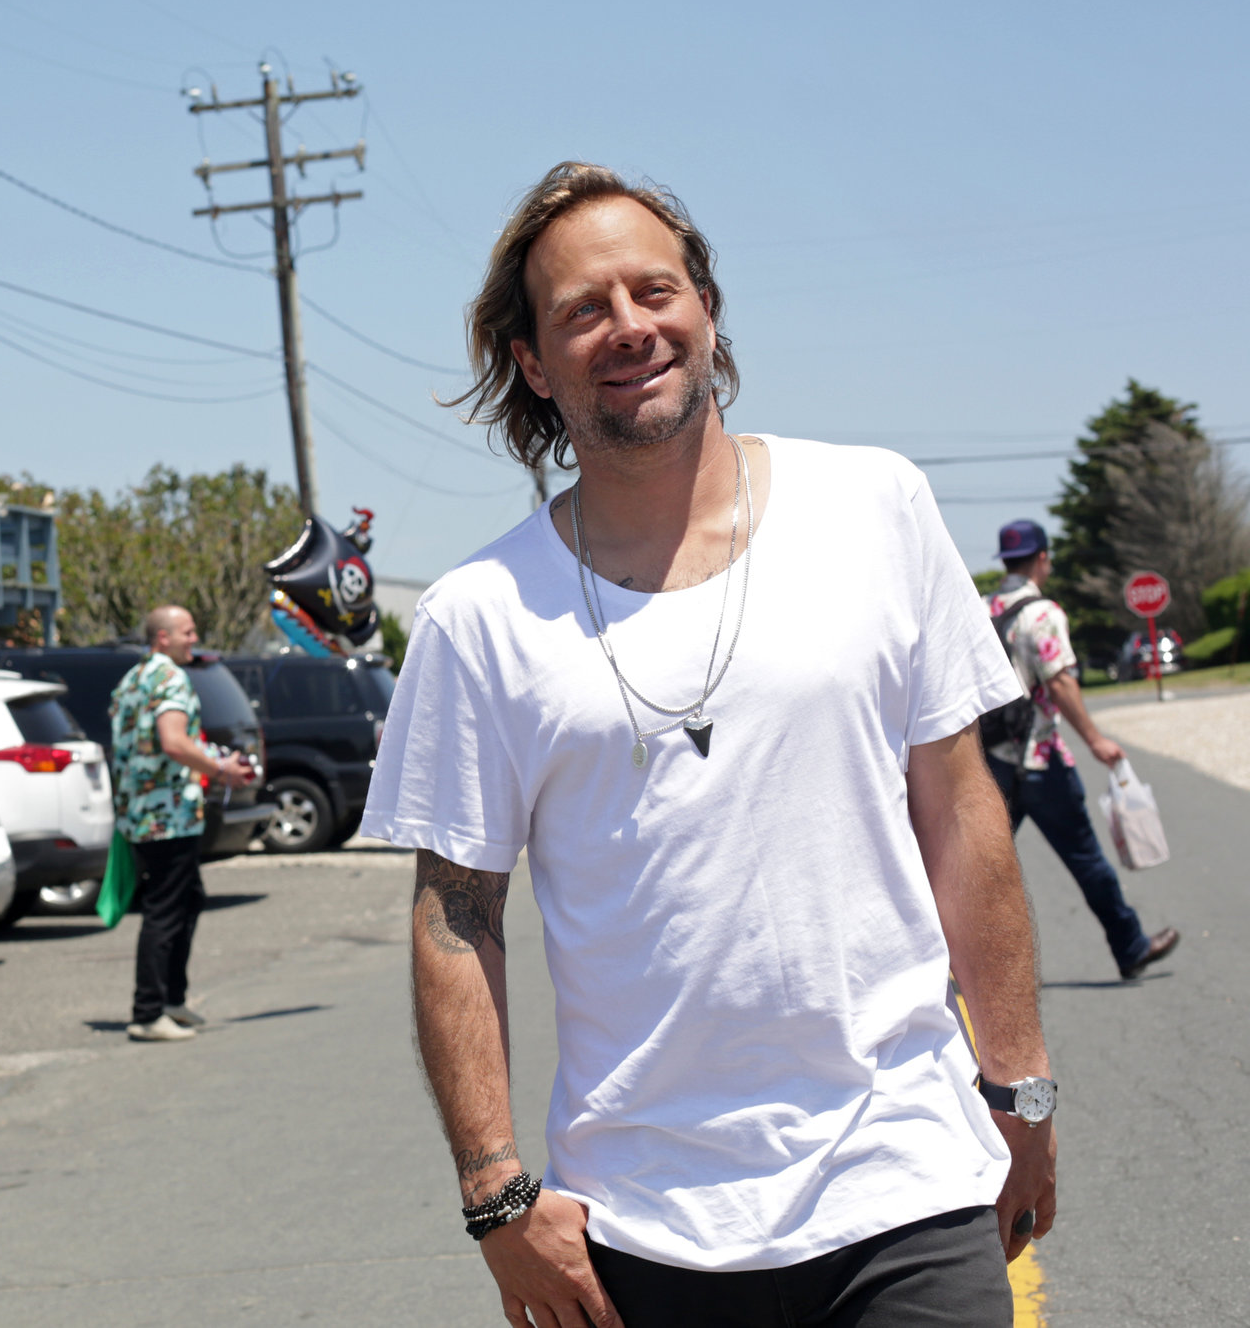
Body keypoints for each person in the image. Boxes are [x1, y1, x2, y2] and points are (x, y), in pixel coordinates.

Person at [363, 161, 1057, 1326]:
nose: (627, 325)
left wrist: (1020, 1082)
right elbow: (454, 912)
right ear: (532, 361)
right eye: (582, 309)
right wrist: (493, 1193)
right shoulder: (476, 615)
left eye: (653, 290)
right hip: (638, 1228)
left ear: (705, 308)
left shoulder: (874, 506)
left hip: (904, 1177)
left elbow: (958, 808)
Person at [984, 519, 1180, 979]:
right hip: (1042, 759)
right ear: (1042, 558)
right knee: (1086, 859)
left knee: (975, 868)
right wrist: (1095, 738)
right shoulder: (1043, 613)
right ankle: (1130, 947)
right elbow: (1060, 682)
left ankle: (944, 966)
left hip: (992, 761)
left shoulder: (980, 608)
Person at [108, 605, 256, 1042]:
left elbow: (156, 743)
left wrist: (212, 758)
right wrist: (221, 769)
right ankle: (148, 1012)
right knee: (166, 909)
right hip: (167, 815)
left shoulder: (133, 678)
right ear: (162, 638)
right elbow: (173, 742)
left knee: (188, 899)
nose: (194, 639)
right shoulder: (170, 678)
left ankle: (171, 1000)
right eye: (187, 632)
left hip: (140, 811)